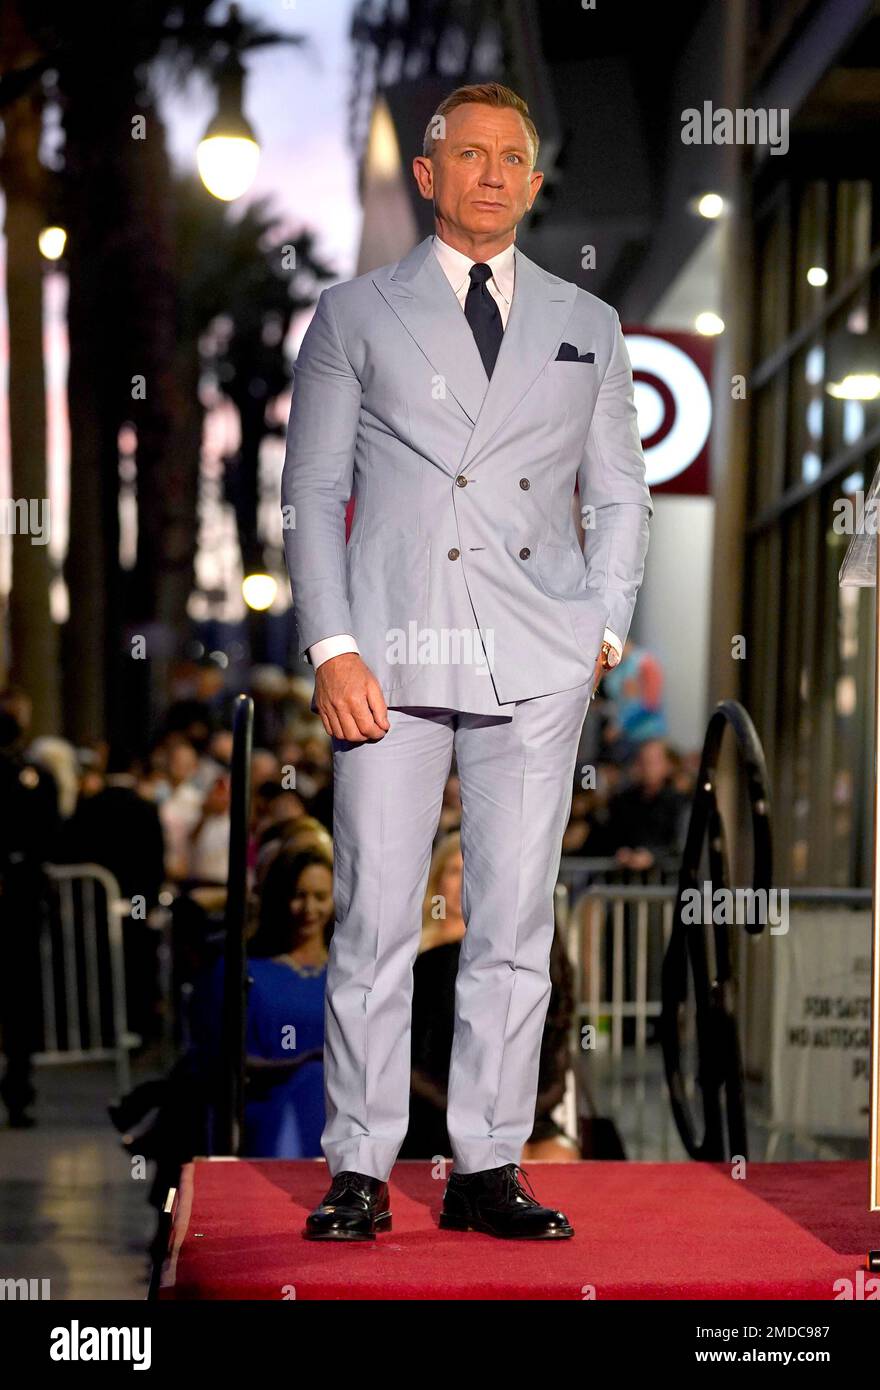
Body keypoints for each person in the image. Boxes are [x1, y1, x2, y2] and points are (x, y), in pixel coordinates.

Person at [282, 82, 651, 1240]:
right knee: (377, 917)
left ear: (535, 186)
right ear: (430, 174)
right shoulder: (351, 314)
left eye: (513, 159)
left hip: (538, 649)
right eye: (469, 154)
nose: (491, 174)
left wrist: (605, 621)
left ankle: (487, 1164)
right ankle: (357, 1162)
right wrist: (331, 643)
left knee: (511, 921)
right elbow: (312, 491)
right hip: (388, 650)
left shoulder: (588, 321)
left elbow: (621, 492)